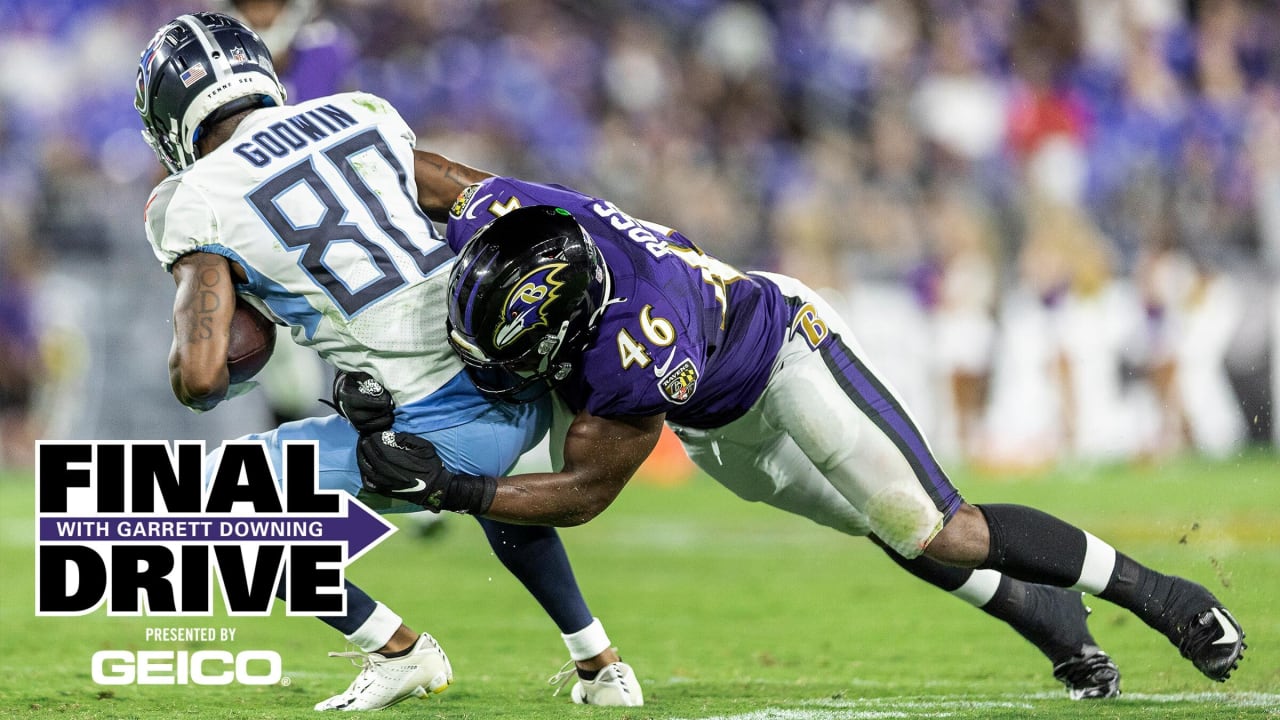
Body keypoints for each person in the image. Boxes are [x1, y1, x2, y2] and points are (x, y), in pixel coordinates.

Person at [356, 169, 1248, 697]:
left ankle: (1158, 596)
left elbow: (587, 494)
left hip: (786, 357)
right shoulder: (514, 214)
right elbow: (425, 170)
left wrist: (458, 490)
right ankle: (1048, 617)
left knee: (940, 527)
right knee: (882, 523)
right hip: (718, 430)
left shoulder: (637, 348)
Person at [135, 13, 641, 710]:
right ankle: (601, 665)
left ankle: (397, 651)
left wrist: (244, 342)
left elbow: (198, 379)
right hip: (520, 375)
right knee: (501, 496)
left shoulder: (191, 198)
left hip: (436, 432)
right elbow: (485, 198)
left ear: (169, 113)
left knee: (202, 501)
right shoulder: (358, 112)